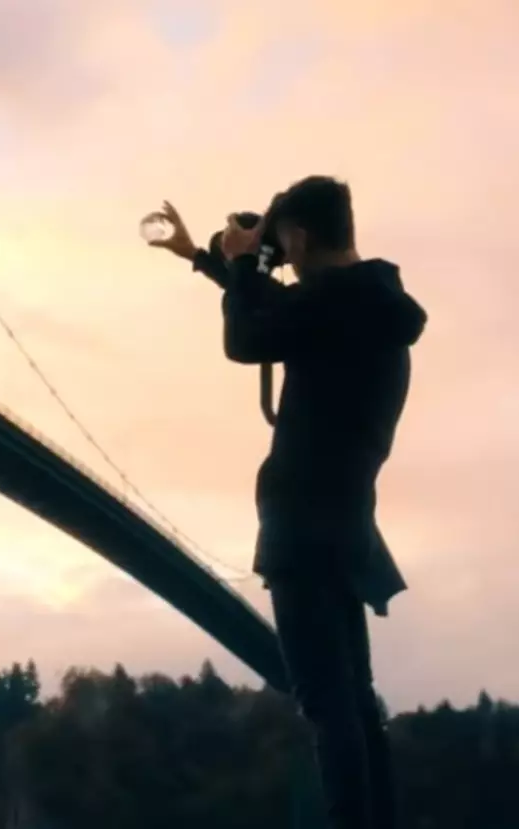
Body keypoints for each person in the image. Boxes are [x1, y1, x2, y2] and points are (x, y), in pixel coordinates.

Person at [148, 176, 427, 829]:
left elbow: (248, 338)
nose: (283, 259)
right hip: (347, 521)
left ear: (299, 235)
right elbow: (280, 313)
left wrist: (245, 258)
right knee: (353, 701)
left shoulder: (336, 307)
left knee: (328, 705)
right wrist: (204, 258)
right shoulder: (369, 304)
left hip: (302, 526)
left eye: (284, 245)